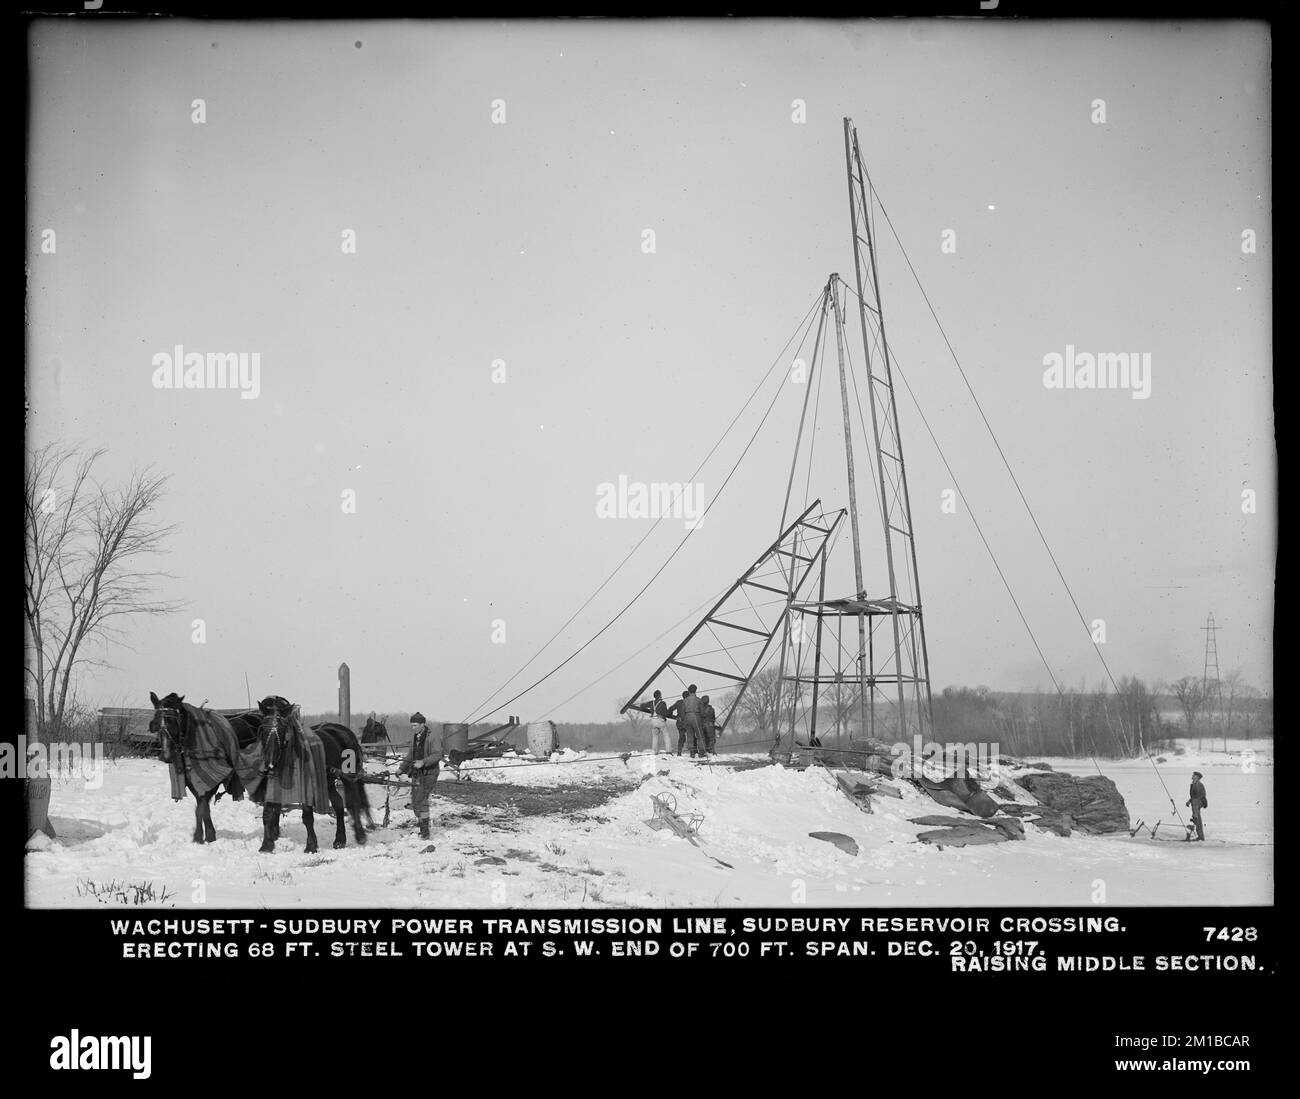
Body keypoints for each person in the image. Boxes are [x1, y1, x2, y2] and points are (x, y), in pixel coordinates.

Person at [398, 712, 446, 840]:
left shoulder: (433, 737)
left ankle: (425, 833)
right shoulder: (415, 736)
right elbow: (410, 756)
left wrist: (423, 762)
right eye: (411, 725)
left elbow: (438, 755)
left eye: (415, 725)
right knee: (416, 800)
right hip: (417, 773)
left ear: (422, 724)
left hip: (429, 773)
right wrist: (401, 769)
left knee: (421, 800)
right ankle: (423, 828)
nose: (412, 728)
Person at [1186, 771, 1209, 841]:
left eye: (1194, 775)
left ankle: (1195, 817)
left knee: (1195, 802)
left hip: (1200, 802)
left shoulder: (1199, 784)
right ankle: (1200, 837)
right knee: (1199, 821)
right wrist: (1189, 801)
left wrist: (1193, 801)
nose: (1192, 776)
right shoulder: (1193, 784)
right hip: (1196, 802)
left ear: (1197, 777)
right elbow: (1193, 796)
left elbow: (1201, 795)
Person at [667, 691, 690, 756]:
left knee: (681, 736)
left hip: (680, 722)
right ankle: (693, 752)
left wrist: (674, 716)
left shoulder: (679, 702)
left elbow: (670, 709)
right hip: (689, 722)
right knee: (691, 736)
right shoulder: (690, 703)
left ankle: (679, 752)